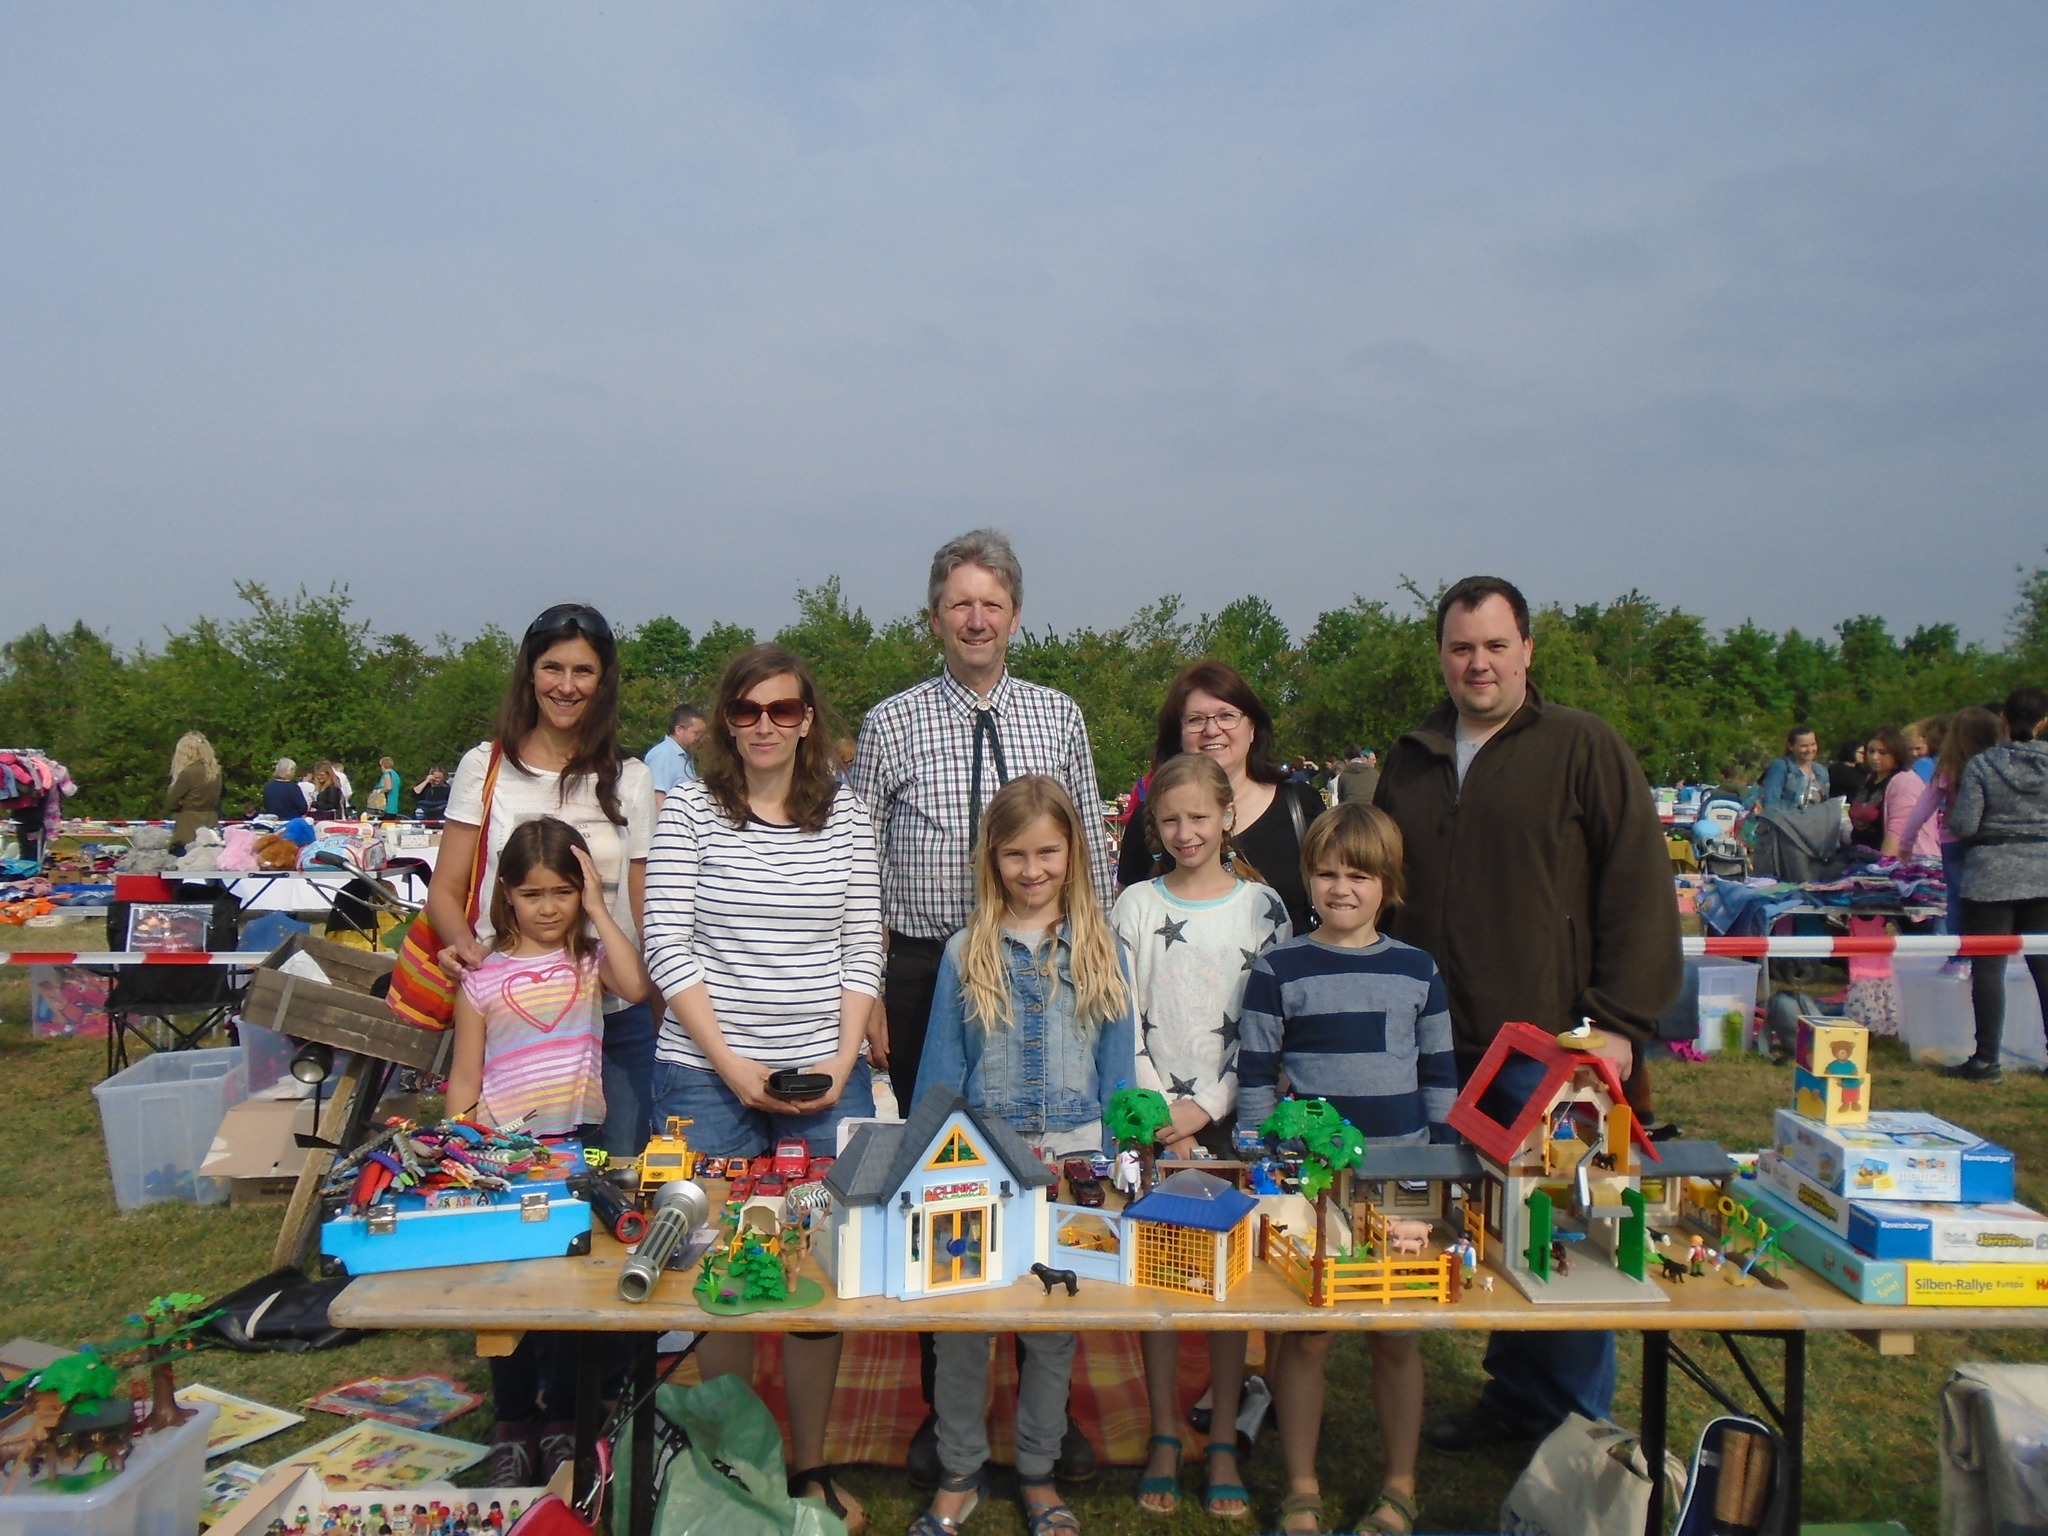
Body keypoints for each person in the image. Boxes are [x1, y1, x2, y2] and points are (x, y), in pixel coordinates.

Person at [1372, 575, 1679, 1454]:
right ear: (1441, 655)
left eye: (1495, 646)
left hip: (1558, 1050)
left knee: (1568, 1232)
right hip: (1442, 1043)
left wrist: (1621, 1021)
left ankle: (1577, 1431)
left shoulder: (1584, 746)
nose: (1478, 663)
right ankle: (1513, 1394)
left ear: (1527, 652)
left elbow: (1639, 889)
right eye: (1462, 647)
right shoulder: (1413, 757)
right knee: (1495, 1225)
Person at [641, 644, 881, 1532]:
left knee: (827, 1264)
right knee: (717, 1269)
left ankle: (810, 1464)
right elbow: (667, 943)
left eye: (784, 710)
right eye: (749, 711)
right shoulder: (694, 813)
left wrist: (844, 1060)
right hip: (708, 1072)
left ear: (808, 718)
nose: (767, 726)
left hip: (827, 1069)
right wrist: (734, 1065)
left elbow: (864, 946)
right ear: (726, 720)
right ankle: (736, 1457)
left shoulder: (849, 819)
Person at [912, 775, 1136, 1536]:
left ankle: (1039, 1472)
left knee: (1051, 1326)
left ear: (1072, 854)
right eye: (1015, 854)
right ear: (993, 858)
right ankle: (960, 1471)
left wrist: (1120, 1161)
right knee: (962, 1324)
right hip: (980, 1164)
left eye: (1047, 852)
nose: (1032, 869)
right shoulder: (962, 951)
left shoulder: (1104, 949)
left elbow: (1118, 1074)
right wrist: (921, 1162)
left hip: (1072, 1167)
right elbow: (941, 1069)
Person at [1237, 803, 1453, 1536]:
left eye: (1358, 875)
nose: (1341, 889)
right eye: (1326, 873)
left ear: (1387, 883)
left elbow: (1440, 1077)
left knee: (1397, 1333)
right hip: (1312, 1184)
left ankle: (1400, 1484)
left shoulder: (1417, 969)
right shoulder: (1279, 968)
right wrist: (1266, 1164)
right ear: (1308, 878)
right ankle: (1301, 1485)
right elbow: (1258, 1080)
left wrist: (1442, 1167)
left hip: (1403, 1177)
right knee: (1307, 1333)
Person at [851, 528, 1113, 1107]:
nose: (976, 620)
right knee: (934, 1136)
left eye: (991, 605)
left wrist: (1098, 957)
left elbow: (1090, 847)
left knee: (1042, 1129)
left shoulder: (1059, 716)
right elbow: (858, 869)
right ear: (934, 619)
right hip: (923, 966)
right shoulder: (891, 722)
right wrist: (869, 992)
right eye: (960, 605)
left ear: (1014, 617)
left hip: (1042, 964)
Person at [446, 816, 651, 1487]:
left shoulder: (588, 962)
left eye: (562, 892)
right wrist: (459, 1147)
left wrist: (599, 905)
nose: (547, 907)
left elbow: (638, 986)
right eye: (532, 894)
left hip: (576, 1151)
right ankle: (513, 1421)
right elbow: (467, 1077)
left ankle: (564, 1418)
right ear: (506, 894)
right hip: (502, 1156)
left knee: (566, 1290)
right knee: (504, 1294)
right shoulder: (480, 975)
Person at [1111, 753, 1289, 1522]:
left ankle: (1220, 1439)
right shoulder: (1134, 907)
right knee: (1156, 1282)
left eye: (1198, 817)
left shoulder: (1265, 908)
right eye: (1170, 820)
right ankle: (1159, 1432)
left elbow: (1266, 1028)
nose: (1186, 832)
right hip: (1155, 1130)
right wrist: (1162, 1118)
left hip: (1229, 1127)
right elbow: (1123, 1019)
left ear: (1227, 818)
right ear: (1155, 826)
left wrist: (1205, 1111)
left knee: (1227, 1285)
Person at [425, 603, 659, 1167]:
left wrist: (656, 994)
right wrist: (465, 948)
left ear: (603, 682)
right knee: (513, 1173)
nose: (567, 686)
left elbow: (646, 903)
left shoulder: (630, 778)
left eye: (583, 672)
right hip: (510, 1013)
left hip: (612, 1015)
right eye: (553, 668)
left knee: (619, 1174)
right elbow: (446, 889)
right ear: (530, 673)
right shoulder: (485, 767)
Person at [1115, 660, 1327, 935]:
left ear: (1253, 728)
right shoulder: (1150, 819)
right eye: (1196, 720)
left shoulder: (1300, 807)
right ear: (1177, 735)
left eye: (1227, 715)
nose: (1212, 730)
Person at [1942, 688, 2048, 1083]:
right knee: (2045, 966)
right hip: (2043, 873)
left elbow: (1965, 824)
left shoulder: (1982, 765)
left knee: (1989, 969)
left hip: (1990, 874)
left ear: (2003, 719)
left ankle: (1986, 1060)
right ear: (2043, 723)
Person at [1898, 707, 2002, 936]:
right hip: (1991, 840)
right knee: (1991, 898)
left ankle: (1959, 956)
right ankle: (1991, 949)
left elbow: (1922, 807)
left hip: (1953, 840)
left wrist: (1906, 843)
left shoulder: (1948, 767)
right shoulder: (1998, 767)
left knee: (1955, 897)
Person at [1848, 727, 1927, 856]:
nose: (1875, 757)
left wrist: (1882, 867)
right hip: (1859, 853)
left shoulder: (1904, 781)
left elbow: (1897, 831)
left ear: (1896, 753)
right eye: (1871, 751)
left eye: (1882, 752)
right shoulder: (1870, 779)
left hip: (1888, 862)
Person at [164, 732, 222, 851]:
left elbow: (171, 803)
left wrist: (182, 803)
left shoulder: (188, 773)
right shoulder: (215, 772)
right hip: (211, 822)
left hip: (188, 826)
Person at [644, 702, 706, 809]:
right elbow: (658, 801)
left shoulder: (684, 756)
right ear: (679, 730)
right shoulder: (663, 756)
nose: (700, 738)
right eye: (697, 733)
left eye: (702, 734)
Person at [1757, 726, 1830, 812]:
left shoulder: (1821, 772)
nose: (1810, 750)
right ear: (1791, 747)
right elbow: (1771, 802)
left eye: (1813, 744)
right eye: (1804, 746)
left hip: (1811, 823)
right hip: (1785, 822)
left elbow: (1824, 805)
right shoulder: (1781, 766)